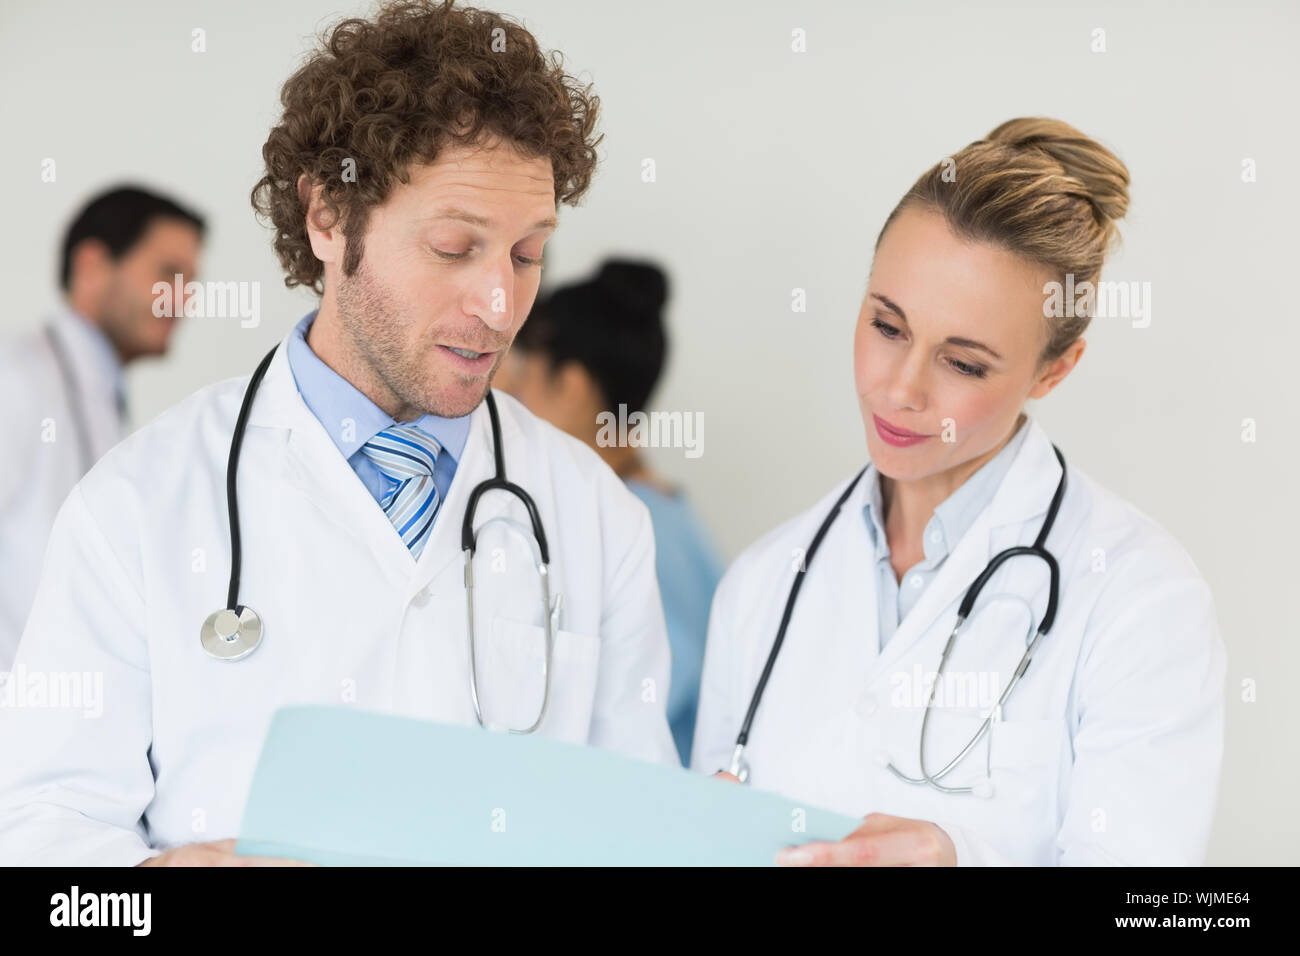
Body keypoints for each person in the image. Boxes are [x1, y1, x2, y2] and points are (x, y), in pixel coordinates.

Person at [0, 0, 677, 867]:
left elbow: (639, 841)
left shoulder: (593, 516)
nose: (500, 305)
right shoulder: (134, 508)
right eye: (454, 246)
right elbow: (46, 856)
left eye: (526, 253)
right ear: (327, 217)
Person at [692, 118, 1226, 866]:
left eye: (964, 363)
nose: (900, 389)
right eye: (887, 325)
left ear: (1054, 370)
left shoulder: (1139, 599)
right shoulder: (760, 588)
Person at [495, 259, 723, 765]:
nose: (507, 393)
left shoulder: (632, 530)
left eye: (523, 373)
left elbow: (640, 720)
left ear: (570, 386)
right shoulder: (661, 513)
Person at [0, 185, 204, 666]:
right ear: (92, 267)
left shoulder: (97, 392)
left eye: (192, 282)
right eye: (168, 274)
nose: (184, 300)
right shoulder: (16, 378)